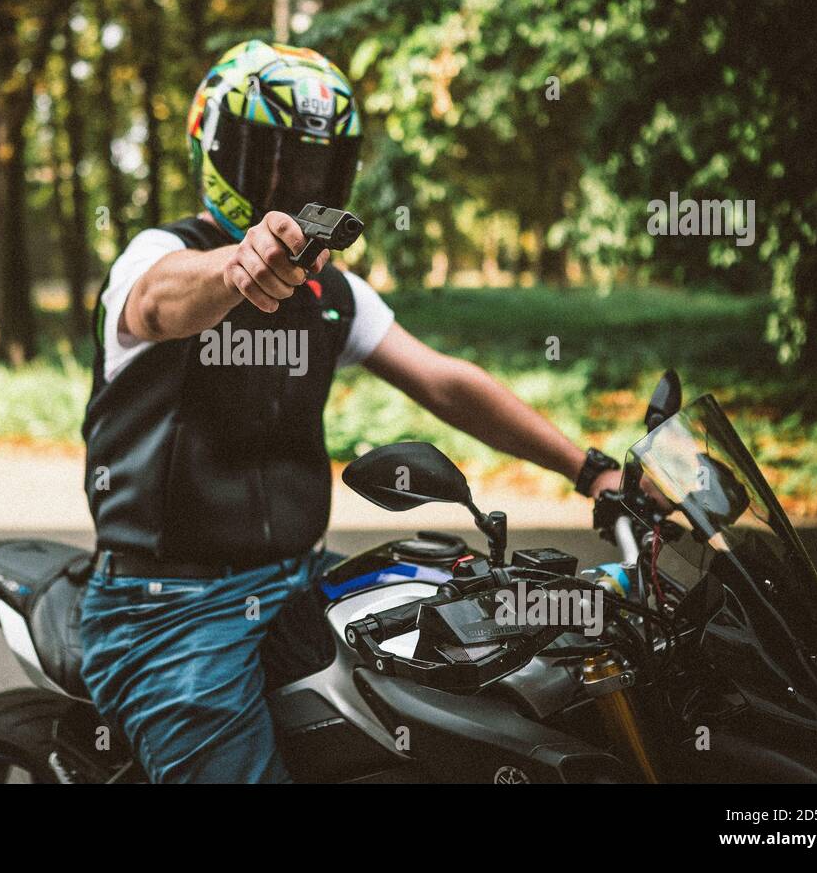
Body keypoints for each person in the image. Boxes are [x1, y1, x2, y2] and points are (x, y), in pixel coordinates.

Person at [79, 40, 621, 782]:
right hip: (170, 607)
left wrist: (590, 469)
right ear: (216, 150)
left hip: (299, 578)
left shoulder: (330, 295)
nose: (289, 183)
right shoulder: (159, 258)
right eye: (268, 158)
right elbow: (161, 300)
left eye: (312, 165)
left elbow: (445, 382)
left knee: (485, 693)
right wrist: (236, 267)